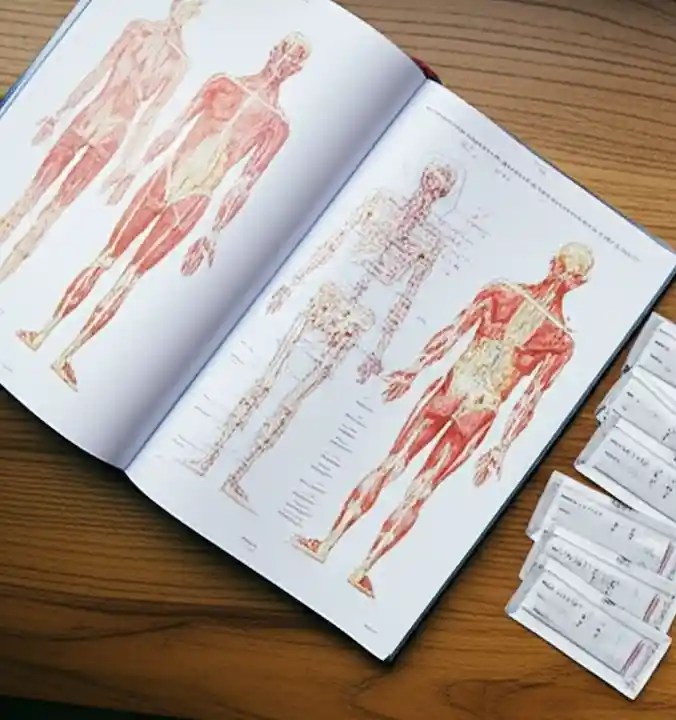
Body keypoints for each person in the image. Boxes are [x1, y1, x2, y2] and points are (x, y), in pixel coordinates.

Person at [293, 243, 594, 599]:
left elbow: (455, 332)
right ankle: (361, 570)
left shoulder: (503, 293)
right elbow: (529, 398)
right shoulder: (559, 340)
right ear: (579, 283)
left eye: (565, 272)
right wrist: (501, 446)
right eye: (570, 272)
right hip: (481, 407)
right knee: (422, 488)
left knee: (393, 463)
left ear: (552, 263)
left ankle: (327, 544)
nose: (562, 278)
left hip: (452, 389)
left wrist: (415, 370)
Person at [18, 33, 312, 391]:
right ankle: (43, 334)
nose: (285, 61)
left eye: (295, 58)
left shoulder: (276, 124)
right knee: (107, 257)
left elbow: (245, 182)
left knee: (130, 277)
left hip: (195, 197)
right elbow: (174, 128)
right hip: (163, 179)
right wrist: (133, 169)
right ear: (273, 49)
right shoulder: (223, 83)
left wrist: (213, 233)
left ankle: (65, 354)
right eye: (285, 50)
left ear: (297, 69)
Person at [187, 164, 459, 509]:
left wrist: (379, 349)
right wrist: (292, 284)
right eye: (429, 183)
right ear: (422, 180)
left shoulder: (429, 242)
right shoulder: (382, 201)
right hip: (330, 298)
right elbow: (335, 241)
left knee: (294, 399)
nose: (429, 194)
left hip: (354, 320)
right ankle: (209, 457)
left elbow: (407, 296)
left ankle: (237, 474)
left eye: (438, 191)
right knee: (267, 380)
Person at [0, 0, 203, 284]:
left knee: (55, 209)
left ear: (196, 12)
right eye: (185, 2)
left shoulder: (179, 62)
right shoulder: (137, 29)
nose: (185, 9)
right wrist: (59, 114)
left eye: (194, 5)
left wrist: (127, 164)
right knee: (30, 195)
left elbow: (150, 115)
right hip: (88, 117)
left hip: (113, 135)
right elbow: (100, 69)